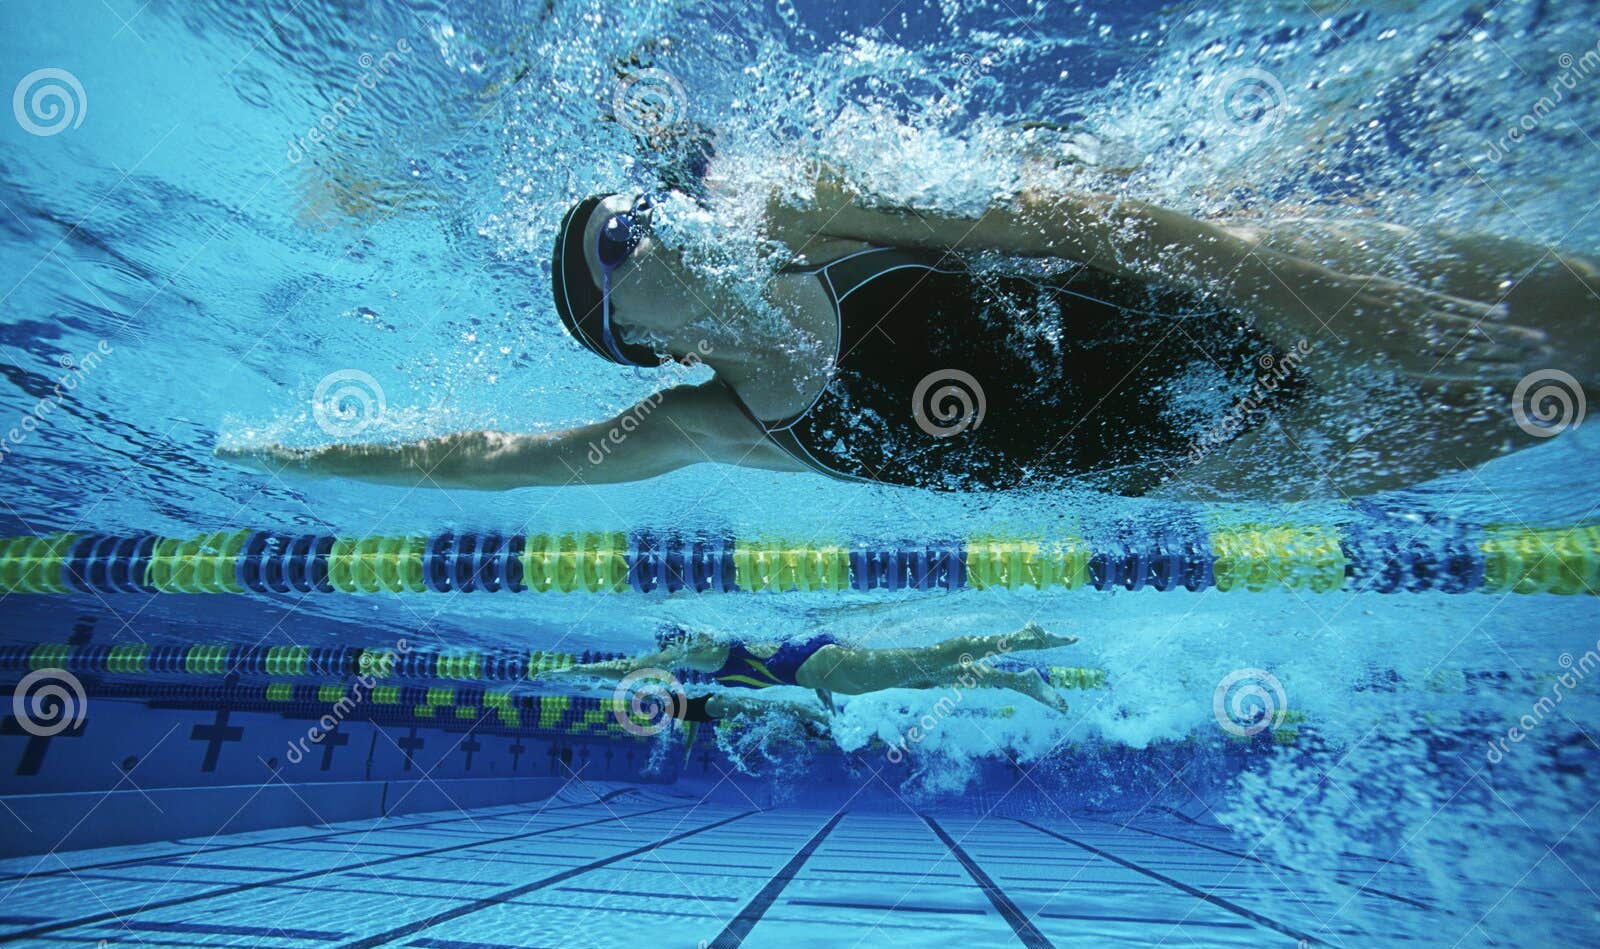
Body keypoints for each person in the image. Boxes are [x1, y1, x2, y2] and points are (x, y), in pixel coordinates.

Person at [225, 167, 1590, 498]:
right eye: (617, 245)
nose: (651, 219)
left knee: (1578, 314)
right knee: (1568, 402)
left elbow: (1110, 216)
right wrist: (304, 460)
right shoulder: (714, 419)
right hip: (1208, 459)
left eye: (639, 202)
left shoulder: (824, 211)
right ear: (634, 337)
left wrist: (1325, 306)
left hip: (1254, 286)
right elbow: (506, 457)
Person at [564, 621, 1079, 714]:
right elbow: (778, 664)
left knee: (932, 660)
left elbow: (631, 666)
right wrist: (823, 694)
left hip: (825, 664)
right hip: (821, 667)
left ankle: (1022, 639)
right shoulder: (713, 657)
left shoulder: (697, 650)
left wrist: (576, 673)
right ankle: (1017, 680)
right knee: (930, 676)